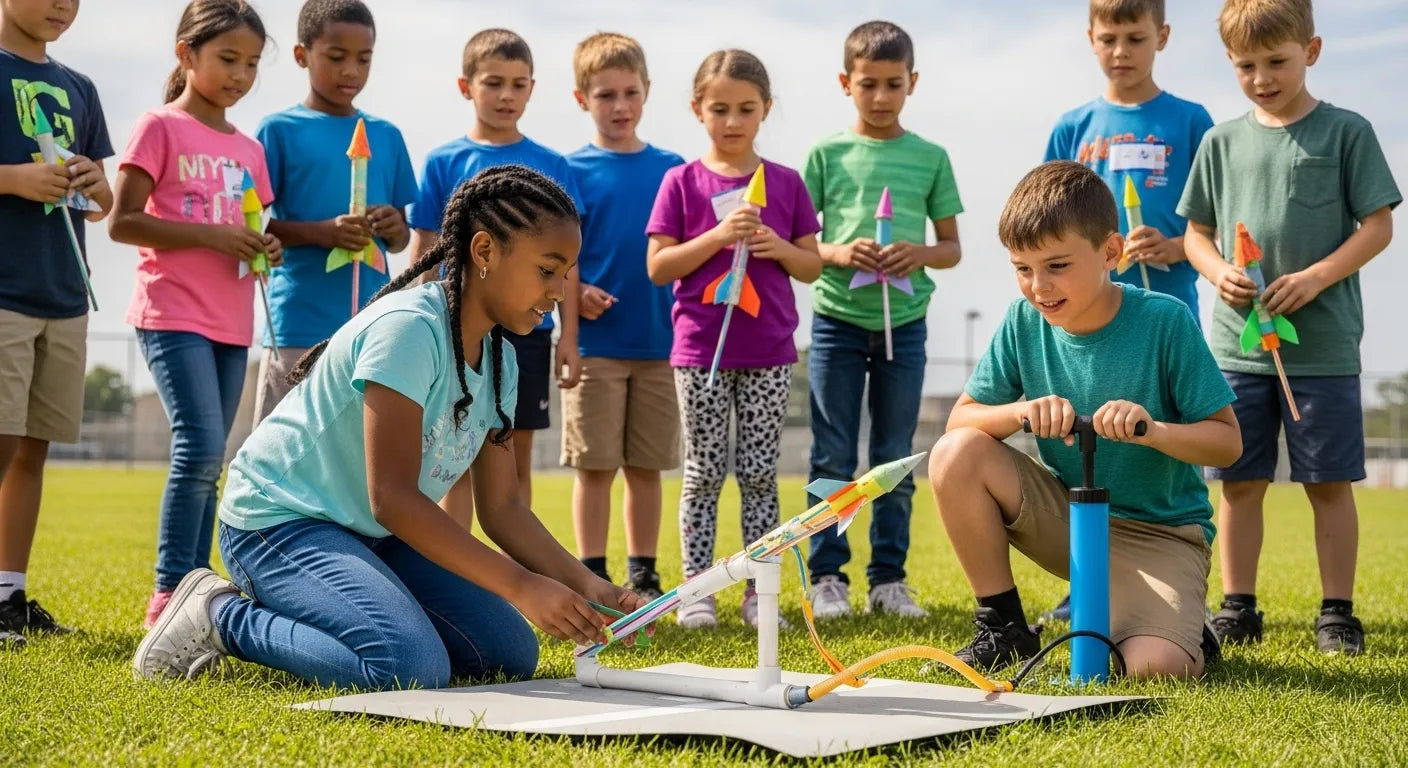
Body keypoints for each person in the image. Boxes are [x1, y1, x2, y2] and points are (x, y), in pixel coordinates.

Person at [132, 165, 647, 690]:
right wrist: (521, 586)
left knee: (507, 653)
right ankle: (219, 615)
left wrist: (587, 584)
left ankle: (377, 615)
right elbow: (393, 499)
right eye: (547, 270)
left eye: (566, 274)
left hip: (372, 535)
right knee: (407, 667)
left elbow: (502, 509)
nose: (559, 291)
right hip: (279, 520)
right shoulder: (409, 331)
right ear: (485, 251)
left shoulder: (501, 362)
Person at [928, 160, 1241, 678]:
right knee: (956, 452)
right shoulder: (1023, 321)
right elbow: (961, 421)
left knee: (1154, 667)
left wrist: (1153, 431)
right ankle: (1003, 628)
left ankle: (1180, 627)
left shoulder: (1165, 321)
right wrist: (1022, 412)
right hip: (1071, 523)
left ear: (1111, 253)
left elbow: (1227, 443)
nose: (1038, 286)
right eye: (1022, 268)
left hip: (1161, 537)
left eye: (1056, 265)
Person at [1180, 0, 1399, 656]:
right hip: (1237, 348)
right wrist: (1218, 272)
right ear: (1230, 62)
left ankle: (1337, 614)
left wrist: (1317, 278)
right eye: (1246, 65)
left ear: (1313, 51)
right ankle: (1237, 606)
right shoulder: (1220, 142)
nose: (1262, 77)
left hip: (1323, 348)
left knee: (1327, 482)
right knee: (1240, 481)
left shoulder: (1347, 132)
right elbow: (1195, 234)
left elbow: (1378, 226)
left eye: (1276, 61)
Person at [107, 0, 282, 628]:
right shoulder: (159, 126)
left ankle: (196, 586)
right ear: (186, 54)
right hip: (171, 311)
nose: (240, 74)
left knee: (214, 459)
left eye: (252, 64)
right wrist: (213, 237)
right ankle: (168, 594)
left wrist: (264, 247)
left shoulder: (250, 150)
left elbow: (252, 226)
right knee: (200, 448)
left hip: (232, 320)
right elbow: (122, 222)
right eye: (227, 58)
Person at [1040, 0, 1215, 623]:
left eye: (1135, 37)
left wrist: (1177, 247)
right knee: (1088, 444)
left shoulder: (1192, 121)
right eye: (1109, 37)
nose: (1121, 50)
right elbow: (1045, 214)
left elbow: (1213, 224)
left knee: (1157, 445)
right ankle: (1083, 582)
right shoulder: (1073, 126)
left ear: (1161, 36)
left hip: (1164, 309)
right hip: (1085, 322)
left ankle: (1175, 586)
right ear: (1091, 38)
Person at [646, 49, 822, 629]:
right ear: (697, 108)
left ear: (765, 108)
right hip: (700, 352)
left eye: (746, 109)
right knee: (702, 474)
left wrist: (778, 246)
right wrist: (719, 235)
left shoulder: (786, 183)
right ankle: (697, 592)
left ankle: (758, 595)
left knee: (759, 475)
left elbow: (812, 265)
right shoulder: (680, 182)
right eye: (719, 109)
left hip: (769, 353)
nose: (732, 121)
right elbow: (659, 266)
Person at [802, 20, 962, 621]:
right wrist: (839, 252)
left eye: (893, 84)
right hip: (836, 321)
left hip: (906, 323)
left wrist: (918, 253)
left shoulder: (931, 157)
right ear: (845, 82)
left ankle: (888, 580)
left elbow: (951, 248)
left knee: (895, 454)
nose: (880, 96)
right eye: (867, 84)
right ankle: (827, 576)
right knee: (832, 456)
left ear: (912, 82)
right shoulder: (825, 155)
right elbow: (800, 243)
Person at [408, 28, 584, 511]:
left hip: (529, 335)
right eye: (493, 83)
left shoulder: (552, 164)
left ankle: (515, 561)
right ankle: (452, 559)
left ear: (532, 88)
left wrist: (569, 338)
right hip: (459, 333)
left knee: (513, 458)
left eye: (518, 84)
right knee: (453, 460)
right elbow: (426, 247)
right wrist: (422, 324)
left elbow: (568, 263)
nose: (507, 95)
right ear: (466, 86)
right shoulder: (443, 161)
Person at [0, 0, 114, 644]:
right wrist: (15, 178)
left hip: (65, 294)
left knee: (32, 447)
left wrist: (94, 182)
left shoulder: (81, 87)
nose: (61, 4)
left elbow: (102, 203)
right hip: (4, 291)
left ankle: (8, 596)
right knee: (0, 439)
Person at [252, 0, 416, 425]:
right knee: (282, 445)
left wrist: (394, 227)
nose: (351, 71)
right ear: (301, 55)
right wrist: (322, 233)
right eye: (337, 57)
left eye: (364, 59)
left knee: (356, 453)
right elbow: (254, 224)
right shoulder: (278, 131)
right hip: (298, 323)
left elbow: (401, 238)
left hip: (373, 324)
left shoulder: (387, 136)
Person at [563, 32, 683, 599]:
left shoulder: (673, 169)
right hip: (595, 347)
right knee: (594, 467)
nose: (619, 106)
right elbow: (559, 257)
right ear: (581, 98)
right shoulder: (568, 170)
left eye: (630, 92)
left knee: (647, 467)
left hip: (661, 343)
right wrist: (577, 292)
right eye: (605, 95)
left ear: (647, 91)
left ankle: (645, 574)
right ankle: (592, 573)